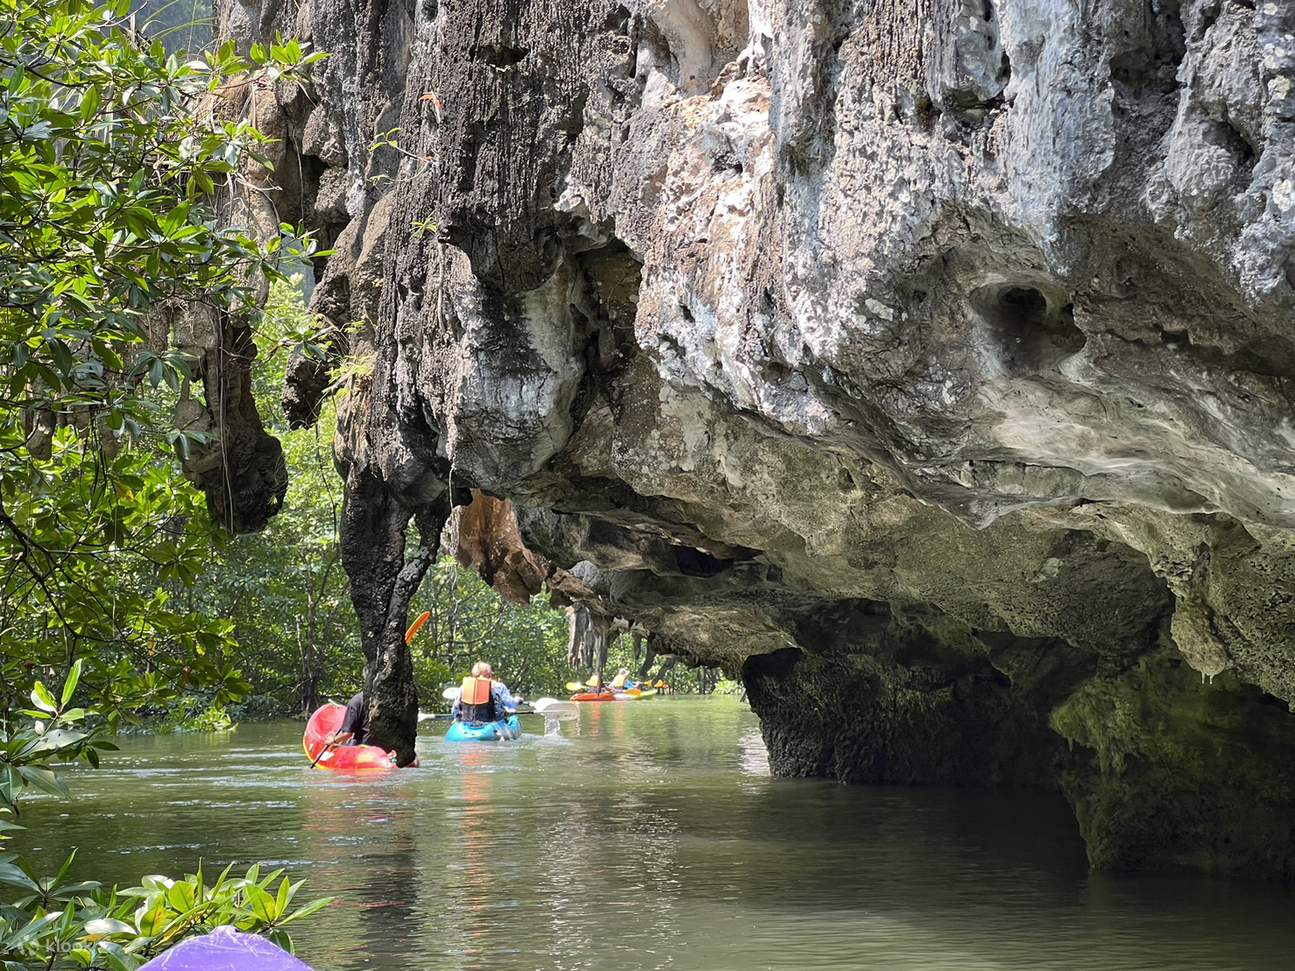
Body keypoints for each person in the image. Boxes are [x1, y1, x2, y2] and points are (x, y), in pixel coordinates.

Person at [452, 662, 522, 738]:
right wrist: (518, 700)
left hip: (466, 725)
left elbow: (455, 709)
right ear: (489, 674)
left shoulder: (463, 687)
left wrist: (457, 718)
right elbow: (510, 704)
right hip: (493, 724)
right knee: (512, 718)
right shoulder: (498, 686)